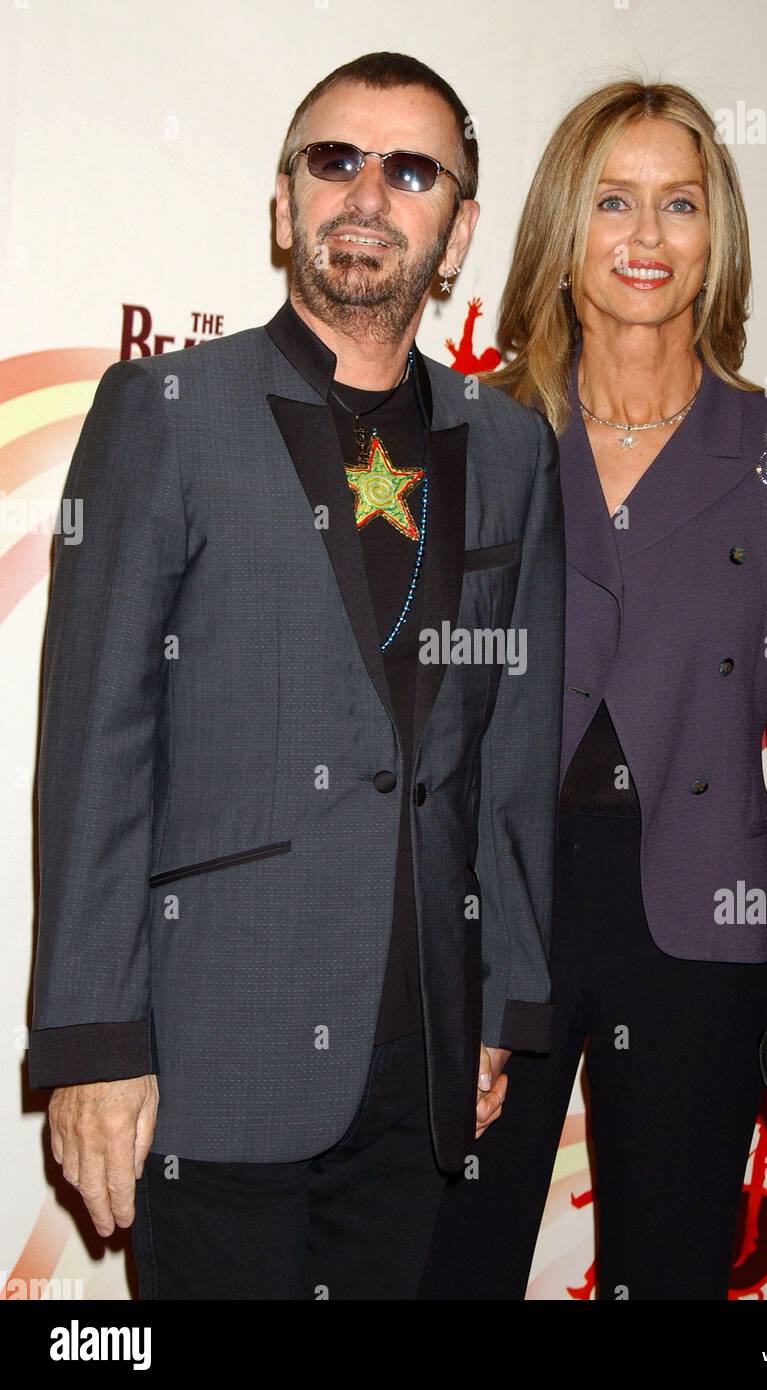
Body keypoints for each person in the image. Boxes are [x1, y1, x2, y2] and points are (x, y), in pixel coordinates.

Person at [27, 51, 564, 1300]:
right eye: (334, 160)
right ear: (284, 204)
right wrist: (92, 1042)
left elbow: (512, 747)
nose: (367, 193)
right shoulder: (165, 408)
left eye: (411, 171)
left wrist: (503, 1002)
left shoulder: (510, 448)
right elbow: (95, 743)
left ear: (458, 230)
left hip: (420, 1059)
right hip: (214, 1050)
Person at [419, 79, 767, 1301]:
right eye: (612, 201)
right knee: (448, 1267)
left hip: (697, 919)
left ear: (716, 237)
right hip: (494, 913)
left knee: (670, 1275)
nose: (645, 235)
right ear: (563, 228)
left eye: (678, 204)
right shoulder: (474, 439)